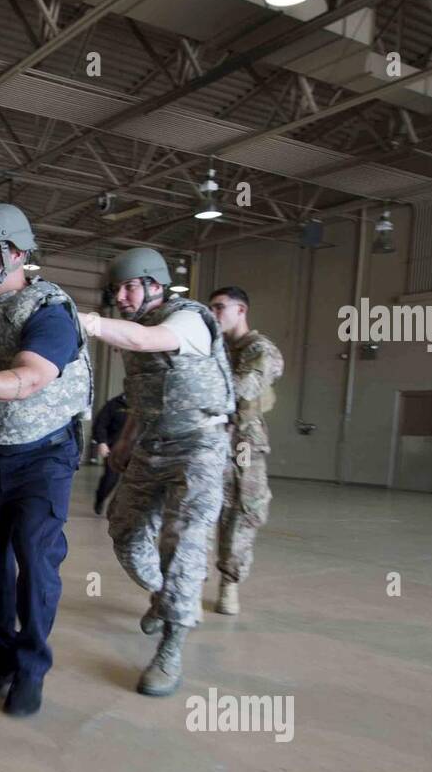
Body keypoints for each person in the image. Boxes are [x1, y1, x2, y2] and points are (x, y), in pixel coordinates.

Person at [0, 203, 93, 717]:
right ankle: (1, 655)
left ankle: (32, 668)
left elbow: (30, 378)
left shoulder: (49, 310)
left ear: (20, 252)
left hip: (44, 452)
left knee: (34, 555)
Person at [77, 248, 233, 697]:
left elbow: (148, 341)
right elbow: (143, 398)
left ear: (156, 286)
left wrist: (88, 322)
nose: (122, 297)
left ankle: (171, 648)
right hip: (153, 443)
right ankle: (166, 597)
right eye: (117, 290)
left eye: (131, 287)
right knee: (124, 529)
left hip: (200, 445)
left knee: (182, 541)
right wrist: (125, 442)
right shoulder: (136, 330)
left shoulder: (186, 319)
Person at [209, 287, 284, 616]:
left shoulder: (259, 349)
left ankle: (230, 582)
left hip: (243, 441)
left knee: (242, 509)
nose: (214, 313)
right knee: (198, 506)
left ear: (241, 310)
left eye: (220, 307)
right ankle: (186, 583)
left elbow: (244, 388)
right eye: (211, 307)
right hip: (210, 436)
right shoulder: (216, 346)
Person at [90, 392, 128, 515]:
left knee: (131, 482)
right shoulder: (114, 404)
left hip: (138, 449)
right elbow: (100, 424)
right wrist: (102, 442)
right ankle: (100, 499)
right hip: (115, 449)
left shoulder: (145, 404)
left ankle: (118, 510)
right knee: (110, 479)